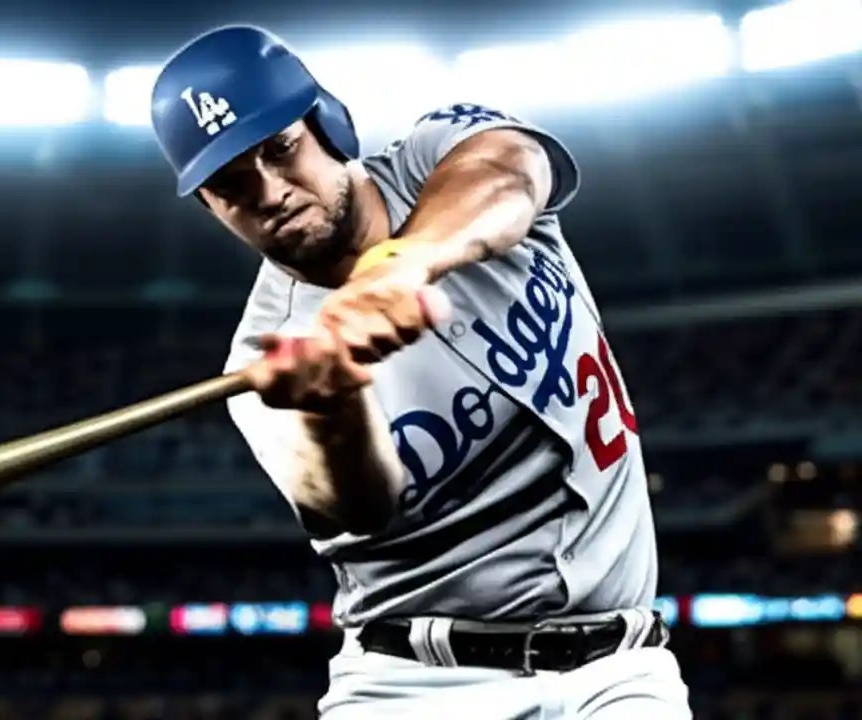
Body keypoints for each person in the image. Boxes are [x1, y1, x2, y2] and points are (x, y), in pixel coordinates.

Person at [150, 24, 691, 720]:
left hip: (621, 671)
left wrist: (403, 266)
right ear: (211, 209)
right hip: (417, 685)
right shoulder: (267, 356)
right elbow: (359, 506)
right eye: (230, 186)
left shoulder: (435, 155)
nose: (270, 192)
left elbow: (510, 172)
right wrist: (334, 405)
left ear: (326, 123)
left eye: (279, 150)